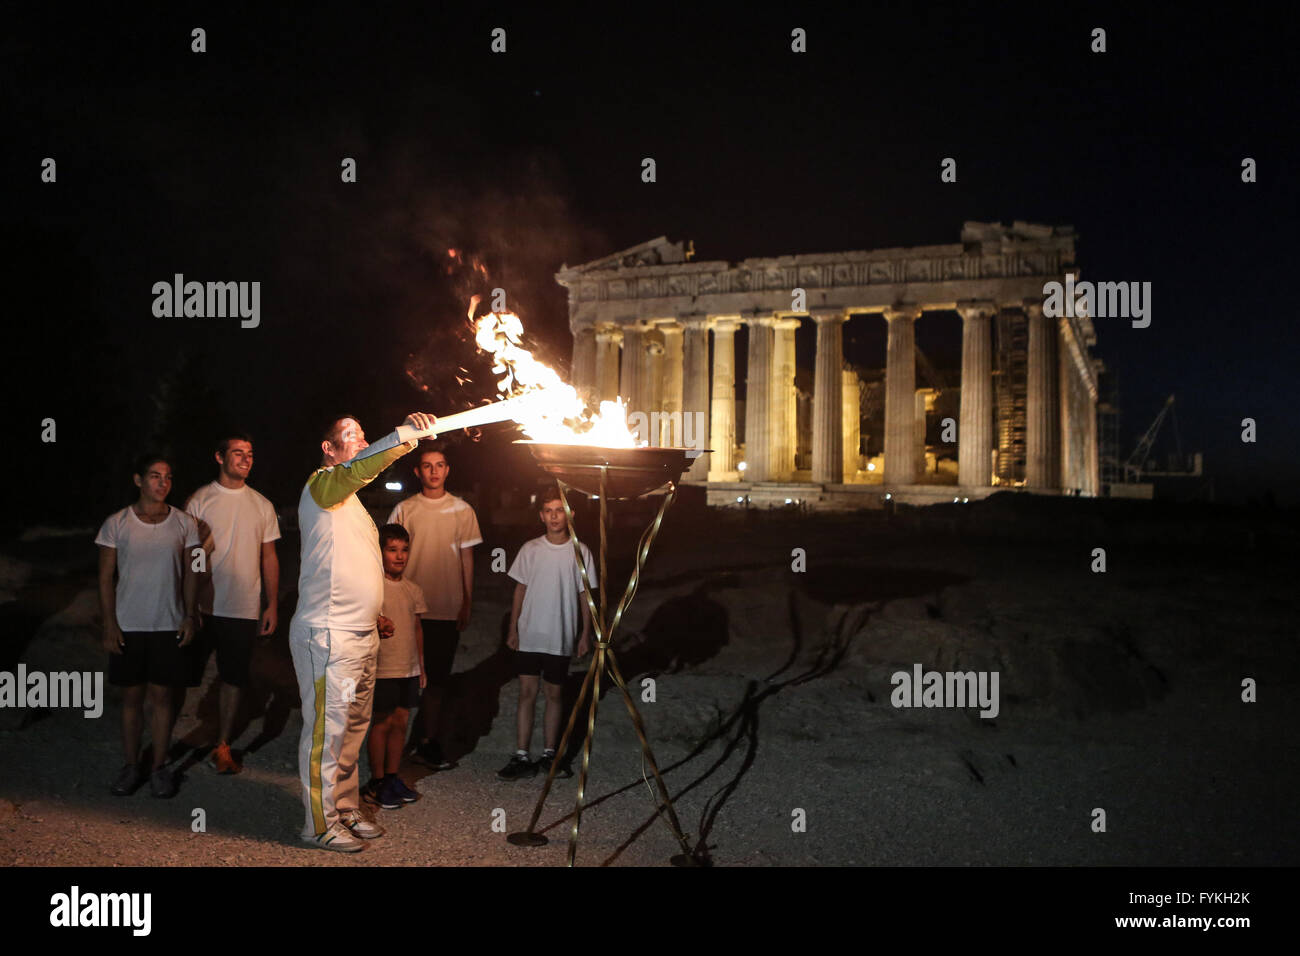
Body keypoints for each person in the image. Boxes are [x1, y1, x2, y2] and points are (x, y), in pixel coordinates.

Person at [290, 412, 437, 853]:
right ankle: (318, 823)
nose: (361, 443)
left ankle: (345, 806)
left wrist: (373, 614)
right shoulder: (322, 485)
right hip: (328, 635)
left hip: (360, 633)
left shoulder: (353, 505)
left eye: (364, 436)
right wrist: (404, 438)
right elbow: (359, 468)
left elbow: (350, 566)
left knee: (352, 726)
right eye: (351, 437)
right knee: (327, 731)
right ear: (328, 448)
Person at [96, 453, 201, 799]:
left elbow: (191, 574)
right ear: (138, 480)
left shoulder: (185, 523)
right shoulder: (117, 523)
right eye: (155, 476)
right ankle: (130, 766)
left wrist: (189, 615)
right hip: (129, 623)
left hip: (168, 623)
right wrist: (110, 623)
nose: (163, 483)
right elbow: (105, 577)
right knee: (131, 698)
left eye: (168, 477)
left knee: (162, 698)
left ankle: (158, 768)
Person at [182, 431, 281, 773]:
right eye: (238, 452)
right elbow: (192, 553)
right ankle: (166, 743)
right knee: (183, 677)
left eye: (250, 453)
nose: (245, 458)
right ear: (220, 457)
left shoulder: (261, 505)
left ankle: (222, 746)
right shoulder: (200, 500)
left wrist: (271, 605)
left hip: (242, 608)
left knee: (233, 678)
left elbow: (269, 557)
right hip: (204, 607)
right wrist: (189, 599)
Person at [386, 441, 481, 770]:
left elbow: (467, 557)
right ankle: (391, 744)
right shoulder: (405, 510)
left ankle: (428, 742)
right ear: (418, 471)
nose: (434, 471)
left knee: (437, 680)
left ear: (447, 469)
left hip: (444, 607)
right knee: (401, 676)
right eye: (427, 465)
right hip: (409, 607)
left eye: (440, 465)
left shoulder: (462, 510)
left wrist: (467, 599)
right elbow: (388, 555)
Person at [500, 485, 594, 780]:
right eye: (549, 511)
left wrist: (585, 633)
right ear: (542, 515)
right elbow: (520, 589)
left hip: (560, 635)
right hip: (530, 634)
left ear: (570, 514)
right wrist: (514, 628)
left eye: (560, 511)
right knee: (527, 693)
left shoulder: (580, 551)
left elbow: (585, 595)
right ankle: (521, 755)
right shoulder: (531, 549)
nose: (555, 517)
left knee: (555, 695)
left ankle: (550, 754)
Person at [363, 524, 427, 810]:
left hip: (408, 668)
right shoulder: (373, 586)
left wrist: (421, 667)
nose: (399, 556)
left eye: (404, 550)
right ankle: (376, 781)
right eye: (392, 550)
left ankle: (391, 777)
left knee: (401, 722)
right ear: (381, 552)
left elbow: (417, 629)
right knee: (381, 723)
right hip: (382, 668)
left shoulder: (413, 589)